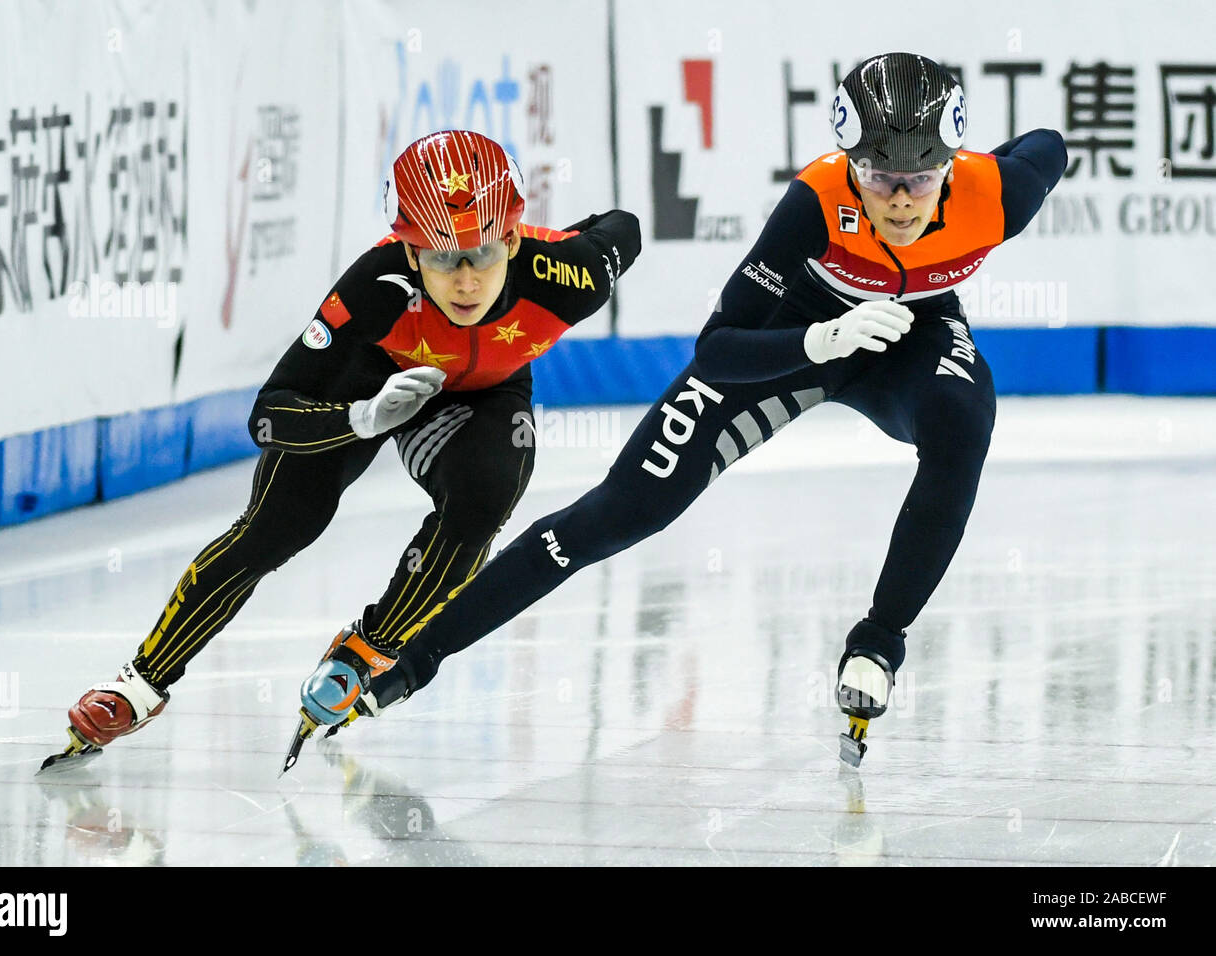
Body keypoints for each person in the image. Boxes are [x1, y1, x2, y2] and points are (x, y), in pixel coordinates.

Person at [324, 53, 1069, 767]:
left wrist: (968, 181)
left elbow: (1048, 147)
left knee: (964, 424)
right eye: (877, 177)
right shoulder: (813, 204)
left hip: (911, 335)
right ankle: (416, 658)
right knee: (616, 513)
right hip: (788, 338)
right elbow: (718, 351)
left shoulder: (998, 192)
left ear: (952, 163)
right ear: (848, 163)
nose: (900, 199)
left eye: (919, 177)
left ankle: (878, 642)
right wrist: (819, 338)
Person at [40, 129, 641, 772]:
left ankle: (367, 650)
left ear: (516, 238)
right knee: (280, 525)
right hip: (362, 385)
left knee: (487, 492)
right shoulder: (372, 289)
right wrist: (359, 418)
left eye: (484, 252)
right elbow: (267, 417)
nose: (465, 280)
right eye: (440, 259)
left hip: (482, 396)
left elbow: (621, 227)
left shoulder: (568, 276)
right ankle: (142, 681)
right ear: (409, 253)